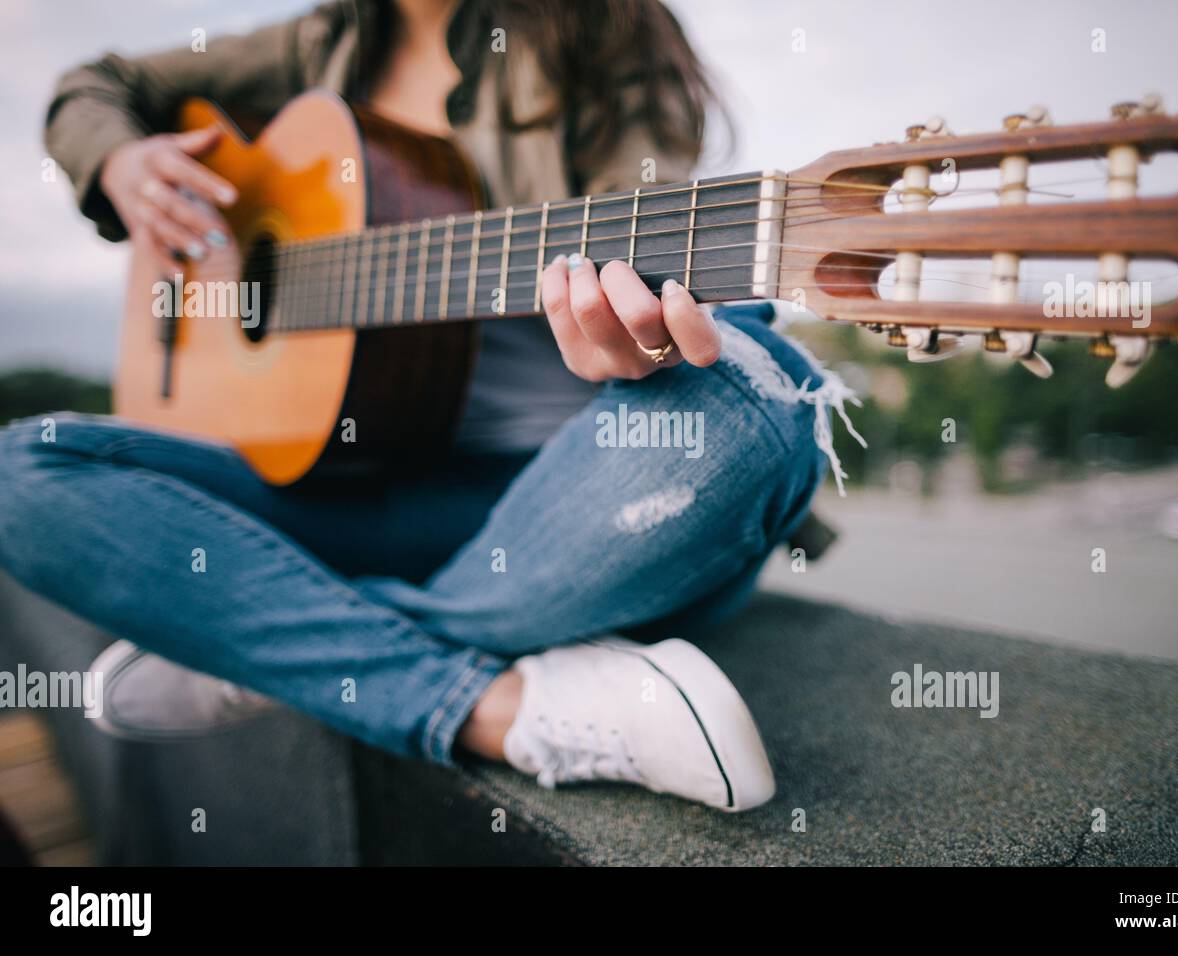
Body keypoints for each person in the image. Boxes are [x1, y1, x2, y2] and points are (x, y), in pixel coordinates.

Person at [0, 0, 851, 811]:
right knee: (21, 472)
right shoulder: (315, 45)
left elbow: (659, 250)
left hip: (554, 505)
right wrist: (120, 161)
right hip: (355, 491)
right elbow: (96, 85)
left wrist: (639, 339)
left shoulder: (602, 27)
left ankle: (266, 639)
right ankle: (492, 706)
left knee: (764, 391)